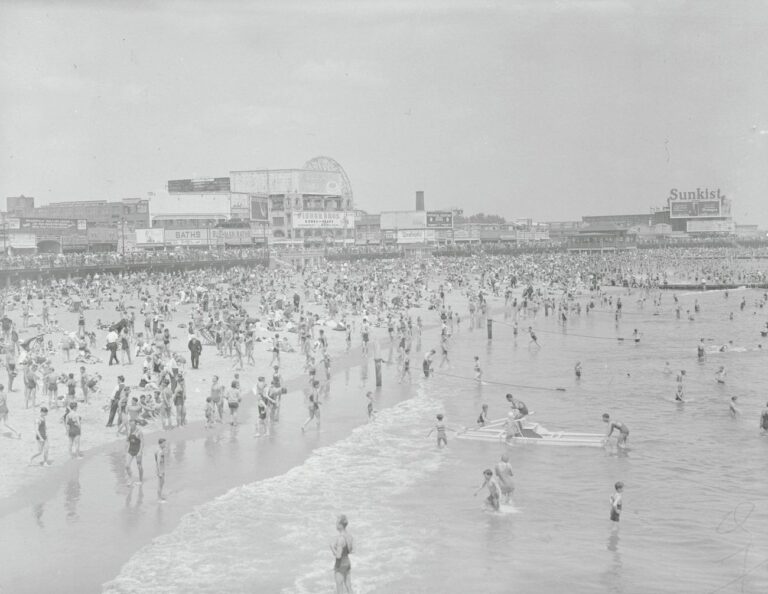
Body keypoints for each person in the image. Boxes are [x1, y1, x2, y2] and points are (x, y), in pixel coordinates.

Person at [331, 515, 354, 594]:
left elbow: (338, 556)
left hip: (340, 565)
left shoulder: (340, 538)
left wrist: (332, 548)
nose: (336, 524)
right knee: (349, 587)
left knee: (339, 590)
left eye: (337, 523)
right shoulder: (349, 536)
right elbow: (350, 550)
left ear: (340, 525)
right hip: (347, 563)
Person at [125, 420, 144, 485]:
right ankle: (130, 479)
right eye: (130, 425)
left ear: (136, 424)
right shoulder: (128, 431)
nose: (131, 426)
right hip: (130, 450)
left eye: (132, 425)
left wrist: (140, 451)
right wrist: (126, 450)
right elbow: (127, 440)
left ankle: (141, 481)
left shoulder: (139, 432)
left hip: (138, 450)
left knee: (139, 466)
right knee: (127, 466)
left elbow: (142, 442)